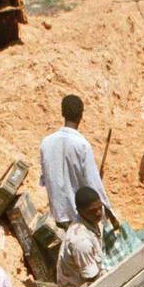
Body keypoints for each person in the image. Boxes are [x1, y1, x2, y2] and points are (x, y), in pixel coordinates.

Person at [40, 94, 118, 230]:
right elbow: (94, 184)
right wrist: (110, 213)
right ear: (81, 115)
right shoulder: (82, 145)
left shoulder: (46, 143)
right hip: (80, 217)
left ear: (62, 113)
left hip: (58, 215)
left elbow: (44, 180)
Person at [56, 186, 108, 287]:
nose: (98, 213)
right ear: (79, 211)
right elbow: (92, 281)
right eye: (92, 211)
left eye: (100, 207)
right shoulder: (81, 242)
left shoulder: (93, 221)